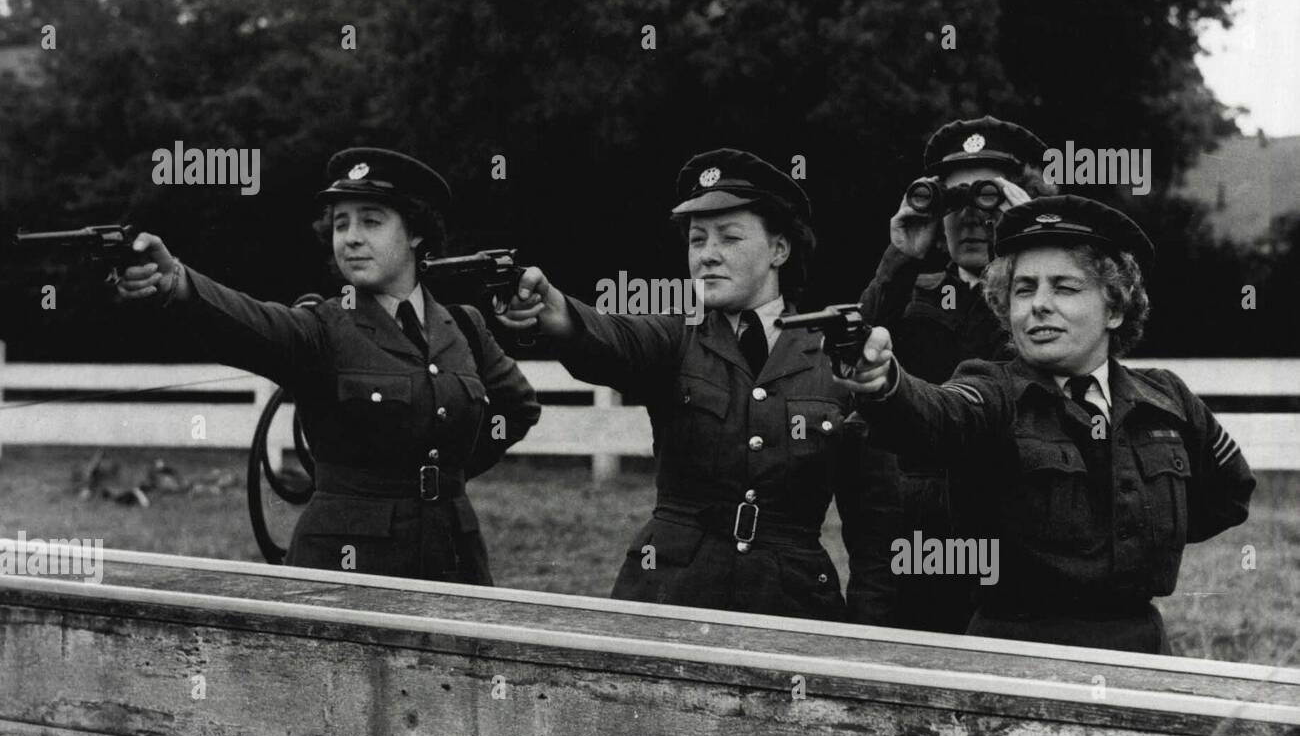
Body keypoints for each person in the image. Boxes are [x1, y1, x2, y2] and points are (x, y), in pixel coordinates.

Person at [840, 195, 1254, 653]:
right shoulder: (991, 388)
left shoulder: (1166, 398)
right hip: (1013, 653)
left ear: (1114, 308)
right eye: (1024, 289)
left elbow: (1229, 493)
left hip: (1141, 651)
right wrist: (885, 384)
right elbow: (934, 413)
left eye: (1064, 288)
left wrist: (1128, 535)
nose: (1038, 305)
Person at [115, 147, 541, 583]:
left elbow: (518, 407)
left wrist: (445, 473)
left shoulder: (465, 328)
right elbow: (247, 323)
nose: (351, 237)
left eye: (371, 221)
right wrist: (179, 283)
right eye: (341, 224)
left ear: (415, 232)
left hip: (456, 562)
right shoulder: (322, 328)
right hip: (345, 570)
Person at [500, 149, 852, 620]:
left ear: (779, 250)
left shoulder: (832, 355)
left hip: (791, 602)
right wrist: (554, 310)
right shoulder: (674, 335)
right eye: (697, 239)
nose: (707, 254)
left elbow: (874, 510)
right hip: (672, 594)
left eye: (728, 238)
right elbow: (612, 337)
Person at [841, 115, 1050, 632]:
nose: (973, 220)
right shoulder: (912, 288)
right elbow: (851, 351)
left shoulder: (1048, 304)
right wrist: (899, 258)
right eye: (955, 203)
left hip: (1014, 523)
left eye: (989, 200)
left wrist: (1035, 241)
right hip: (911, 530)